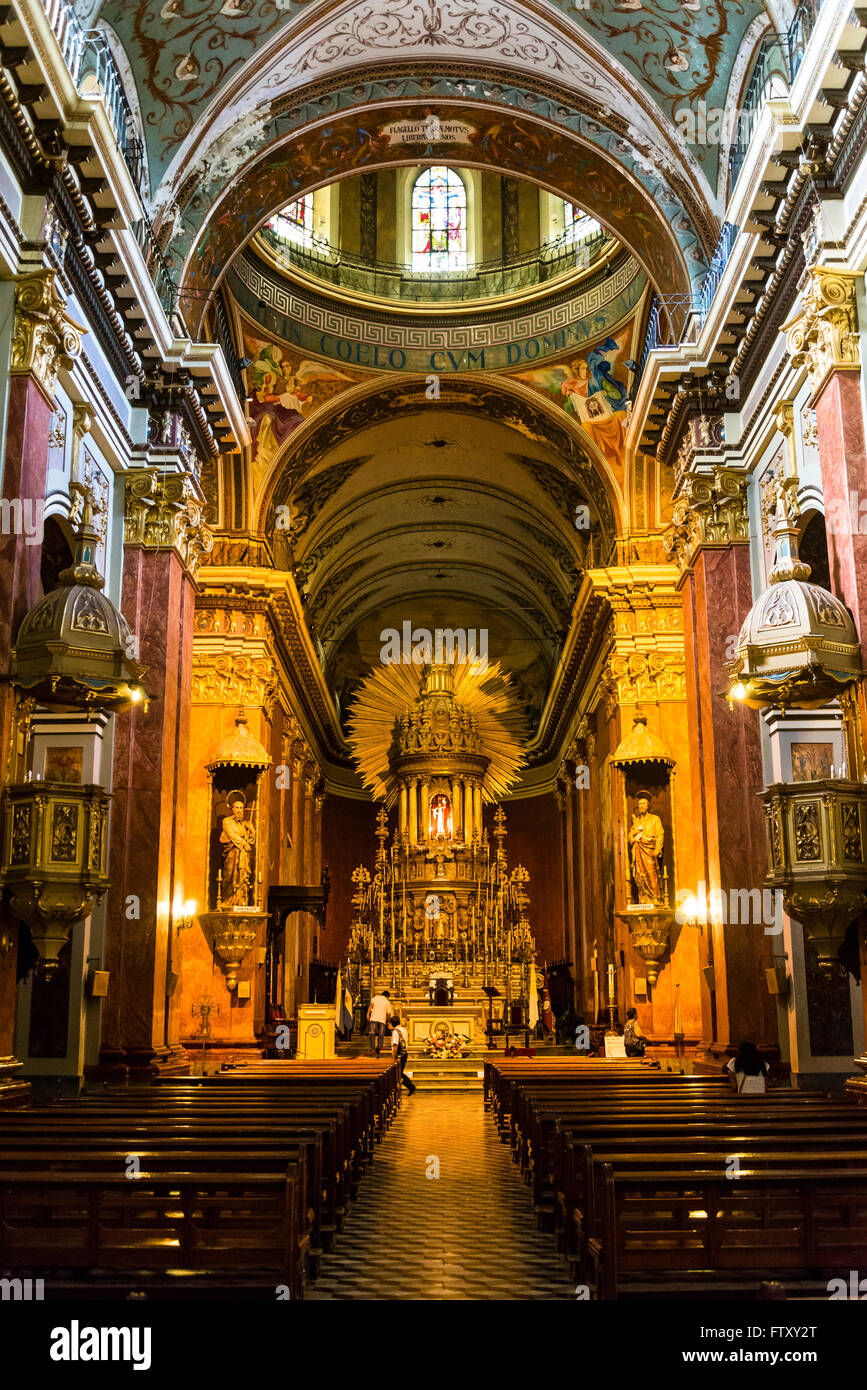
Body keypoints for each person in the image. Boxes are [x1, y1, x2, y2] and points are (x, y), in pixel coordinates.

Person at [391, 1014, 416, 1095]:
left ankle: (410, 1087)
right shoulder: (404, 1030)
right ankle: (409, 1087)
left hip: (399, 1055)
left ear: (392, 1024)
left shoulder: (395, 1031)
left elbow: (395, 1045)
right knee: (398, 1073)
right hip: (404, 1053)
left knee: (397, 1073)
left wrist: (392, 1058)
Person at [367, 989, 391, 1056]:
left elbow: (371, 1005)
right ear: (387, 996)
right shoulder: (387, 1001)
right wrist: (388, 1022)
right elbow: (388, 1013)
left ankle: (372, 1048)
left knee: (372, 1033)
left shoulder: (376, 997)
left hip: (374, 1018)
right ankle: (380, 1048)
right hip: (382, 1019)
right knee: (381, 1035)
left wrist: (368, 1014)